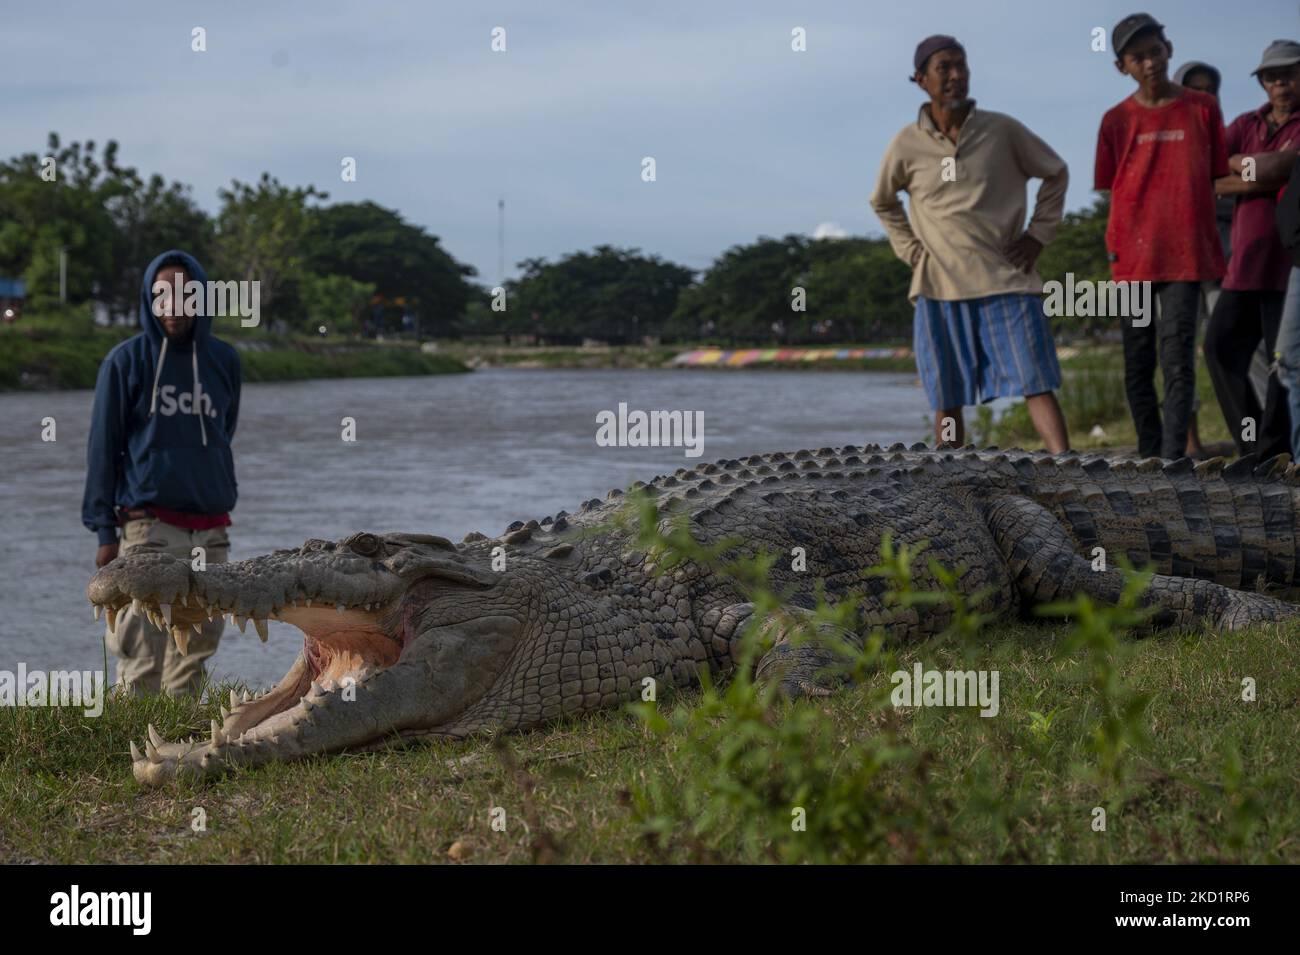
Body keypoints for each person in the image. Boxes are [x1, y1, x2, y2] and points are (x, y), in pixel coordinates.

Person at [871, 34, 1070, 452]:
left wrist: (1038, 234)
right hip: (938, 285)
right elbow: (883, 202)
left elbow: (1055, 172)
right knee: (947, 396)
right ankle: (951, 477)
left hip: (1008, 278)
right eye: (944, 68)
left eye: (961, 66)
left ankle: (1067, 463)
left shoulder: (1003, 130)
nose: (957, 75)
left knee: (1037, 383)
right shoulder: (906, 144)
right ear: (921, 79)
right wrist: (910, 249)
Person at [82, 250, 241, 696]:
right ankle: (123, 755)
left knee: (195, 649)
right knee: (141, 650)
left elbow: (223, 432)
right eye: (162, 295)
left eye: (185, 294)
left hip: (211, 533)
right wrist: (102, 532)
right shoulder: (124, 362)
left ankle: (178, 754)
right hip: (147, 527)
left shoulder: (224, 361)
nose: (173, 305)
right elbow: (102, 450)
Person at [1095, 14, 1227, 461]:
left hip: (1186, 255)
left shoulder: (1202, 107)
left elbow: (1215, 175)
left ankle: (1172, 462)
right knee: (1137, 362)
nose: (1149, 62)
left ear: (1168, 49)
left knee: (1178, 360)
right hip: (1131, 259)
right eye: (1137, 57)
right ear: (1122, 67)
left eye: (1155, 51)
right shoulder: (1115, 120)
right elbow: (1110, 188)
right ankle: (1148, 455)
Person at [1205, 39, 1300, 461]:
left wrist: (1253, 168)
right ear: (1262, 82)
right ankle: (1253, 443)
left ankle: (1275, 449)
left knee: (1283, 361)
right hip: (1243, 264)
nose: (1280, 82)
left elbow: (1284, 166)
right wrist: (1260, 173)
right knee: (1221, 349)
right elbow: (1206, 166)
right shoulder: (1246, 122)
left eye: (1289, 73)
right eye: (1272, 76)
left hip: (1289, 263)